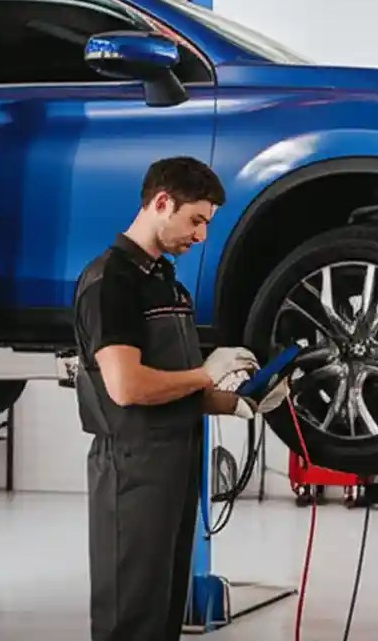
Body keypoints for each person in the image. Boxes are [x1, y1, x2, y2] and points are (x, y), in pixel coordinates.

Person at [71, 155, 289, 641]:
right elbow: (127, 387)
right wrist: (206, 372)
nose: (201, 235)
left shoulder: (167, 284)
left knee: (165, 613)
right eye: (196, 220)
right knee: (131, 616)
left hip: (175, 461)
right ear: (162, 202)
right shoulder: (112, 282)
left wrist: (239, 402)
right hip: (133, 466)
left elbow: (180, 385)